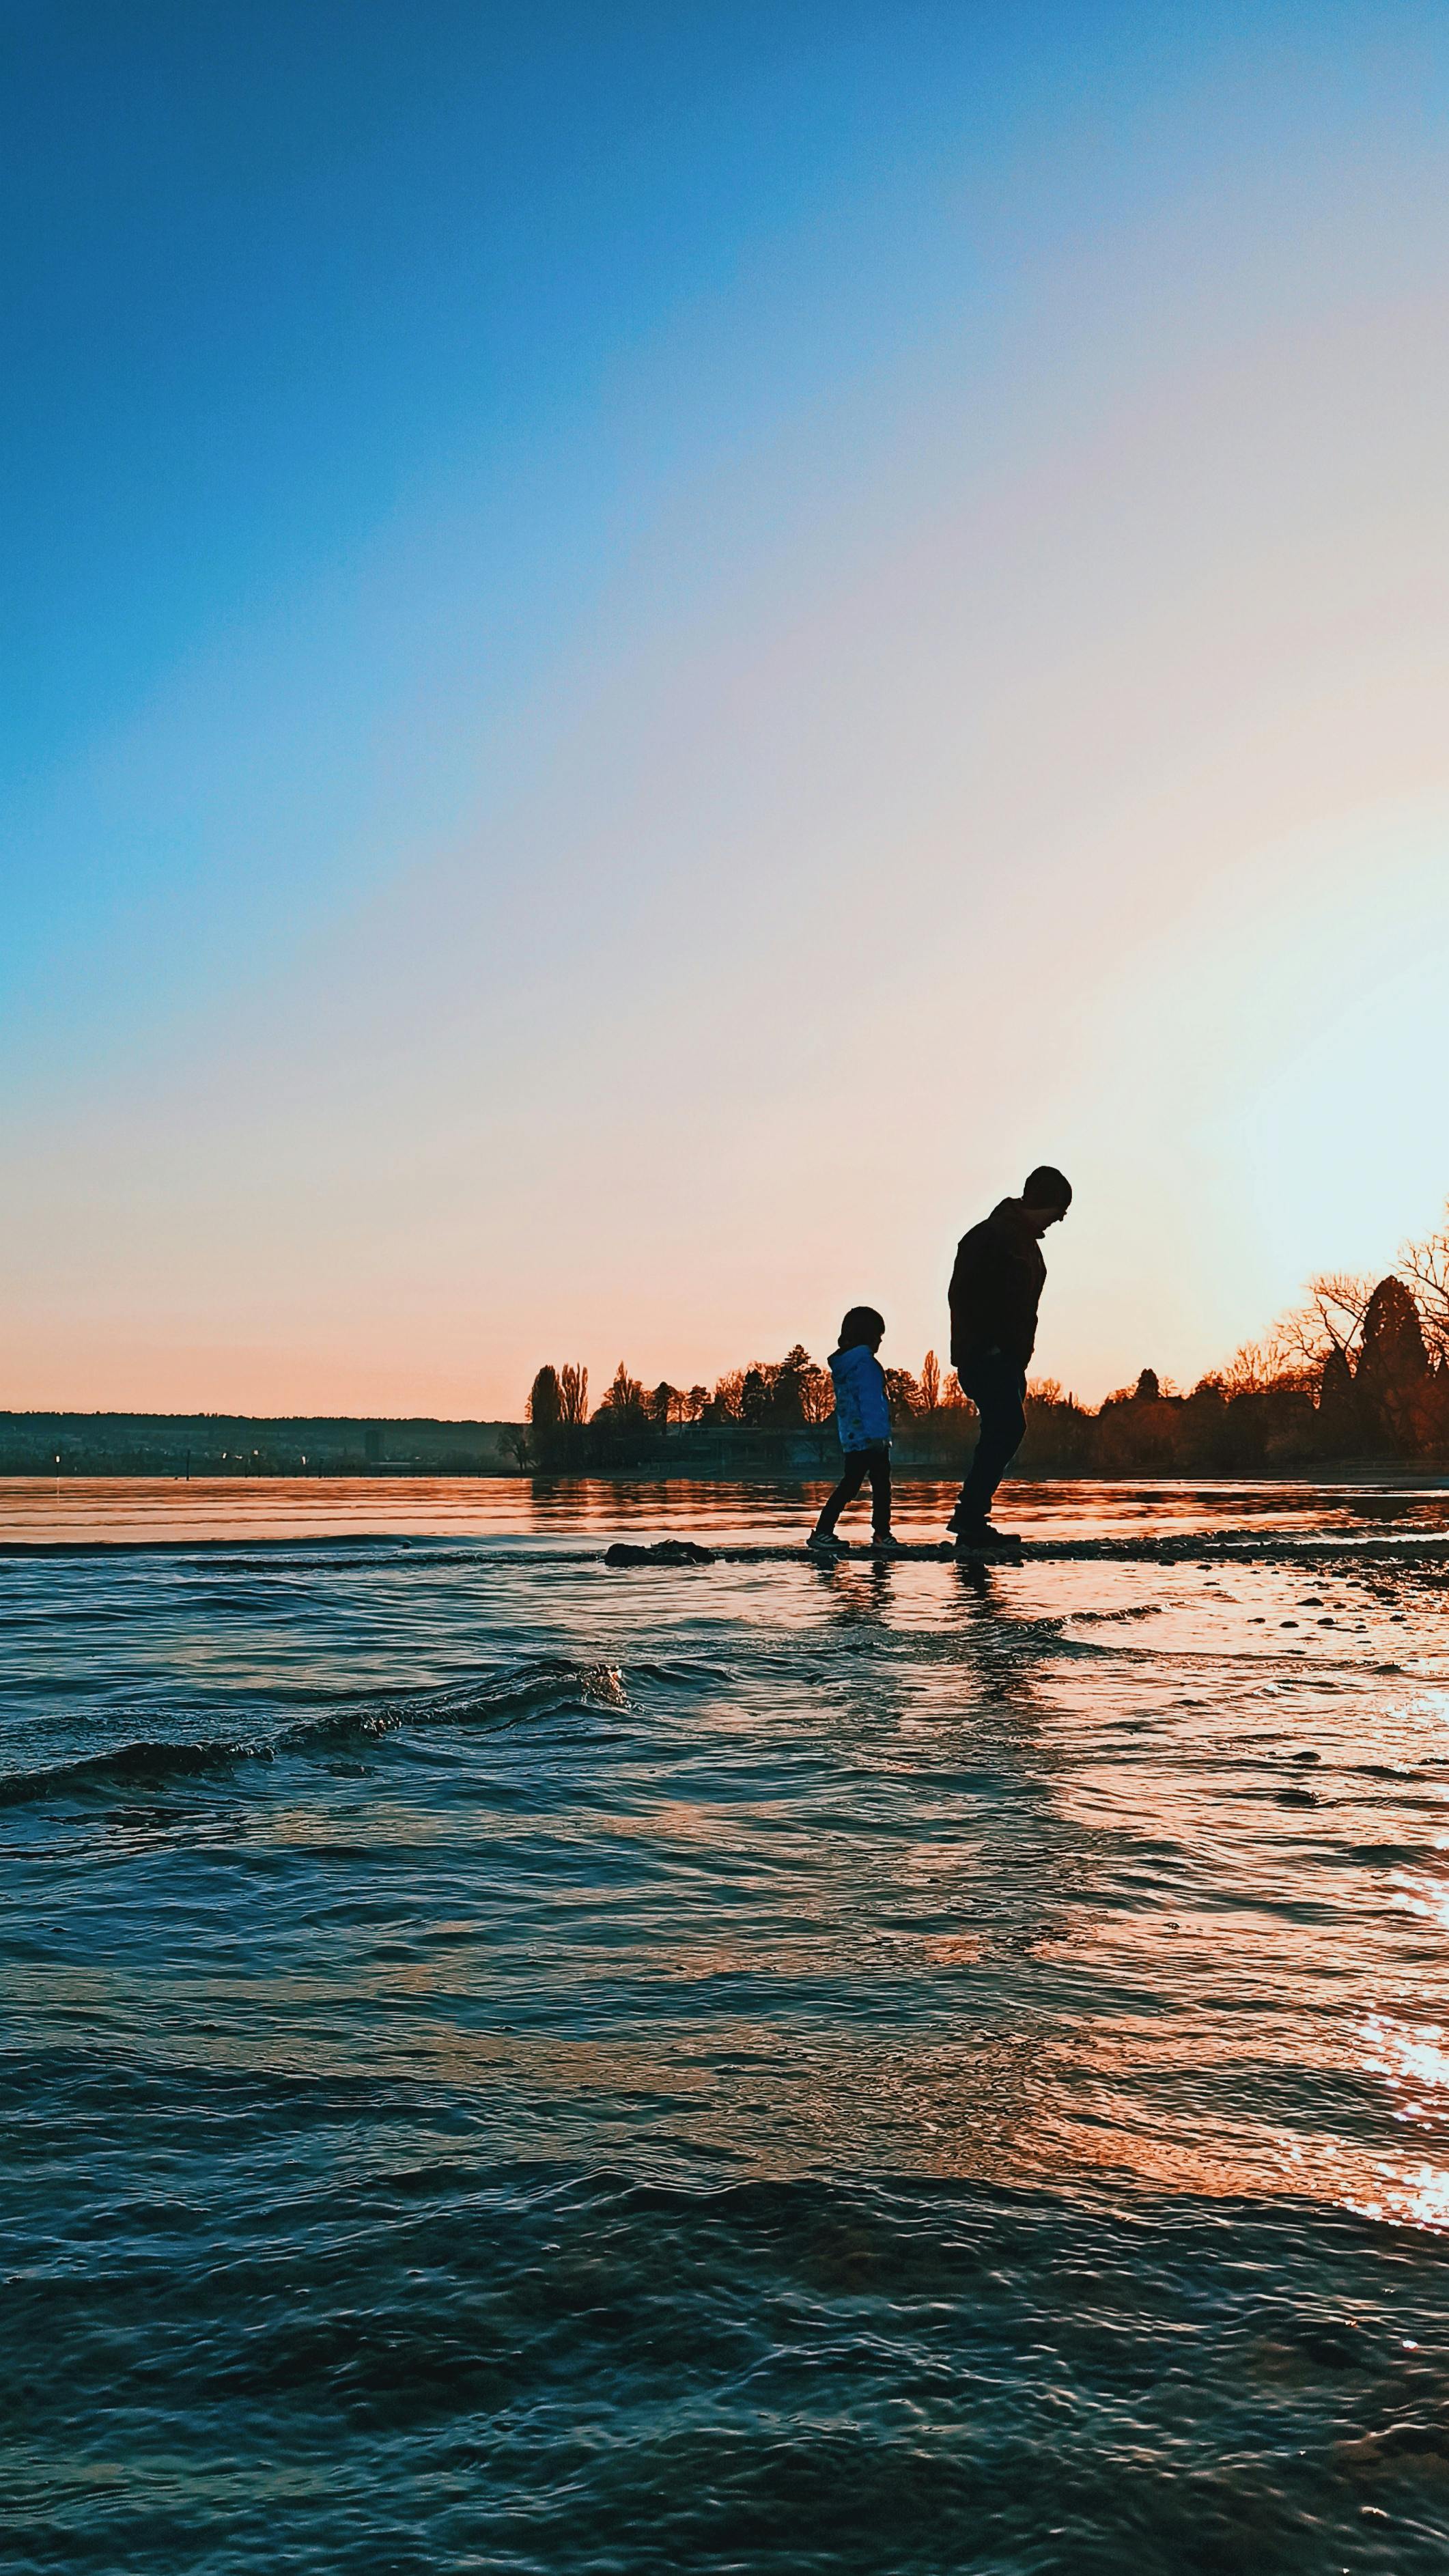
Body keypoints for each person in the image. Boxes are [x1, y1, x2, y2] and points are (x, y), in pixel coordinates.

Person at [946, 1166, 1072, 1549]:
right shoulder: (990, 1237)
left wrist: (1017, 1355)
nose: (1061, 1218)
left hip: (1009, 1358)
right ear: (1039, 1202)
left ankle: (971, 1520)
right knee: (1007, 1428)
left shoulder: (1024, 1244)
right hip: (986, 1355)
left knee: (1003, 1430)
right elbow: (963, 1295)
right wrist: (989, 1345)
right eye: (1059, 1209)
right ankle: (969, 1519)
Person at [807, 1306, 902, 1554]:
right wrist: (879, 1437)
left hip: (851, 1437)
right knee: (881, 1487)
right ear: (869, 1335)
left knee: (850, 1485)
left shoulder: (845, 1367)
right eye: (879, 1335)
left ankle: (824, 1531)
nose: (881, 1340)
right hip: (871, 1439)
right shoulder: (867, 1365)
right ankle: (881, 1534)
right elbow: (871, 1403)